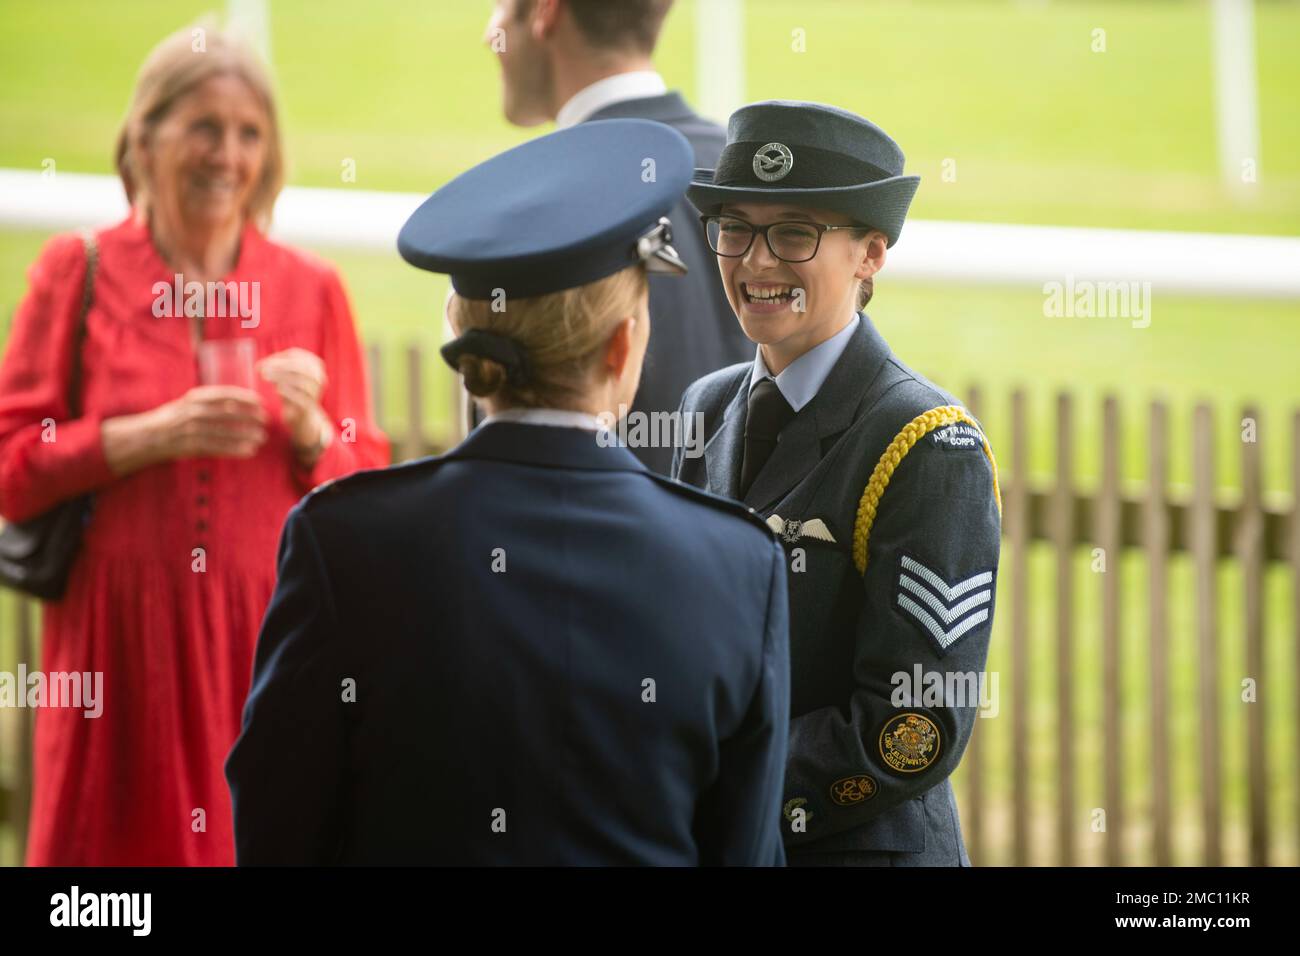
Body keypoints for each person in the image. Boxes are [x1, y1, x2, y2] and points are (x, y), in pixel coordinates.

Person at [225, 119, 791, 865]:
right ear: (623, 346)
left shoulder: (344, 541)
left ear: (465, 340)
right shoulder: (738, 567)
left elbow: (276, 827)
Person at [0, 26, 389, 866]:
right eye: (204, 128)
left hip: (262, 648)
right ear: (145, 135)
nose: (228, 155)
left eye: (250, 134)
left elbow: (368, 485)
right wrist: (146, 436)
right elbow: (12, 469)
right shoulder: (81, 269)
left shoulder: (312, 288)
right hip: (117, 655)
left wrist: (314, 433)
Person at [673, 101, 1002, 866]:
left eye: (794, 233)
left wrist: (716, 780)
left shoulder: (926, 443)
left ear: (871, 254)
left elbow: (914, 725)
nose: (756, 261)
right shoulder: (704, 407)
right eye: (735, 229)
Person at [481, 0, 749, 473]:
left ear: (545, 11)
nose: (491, 33)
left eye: (500, 6)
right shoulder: (749, 170)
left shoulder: (526, 205)